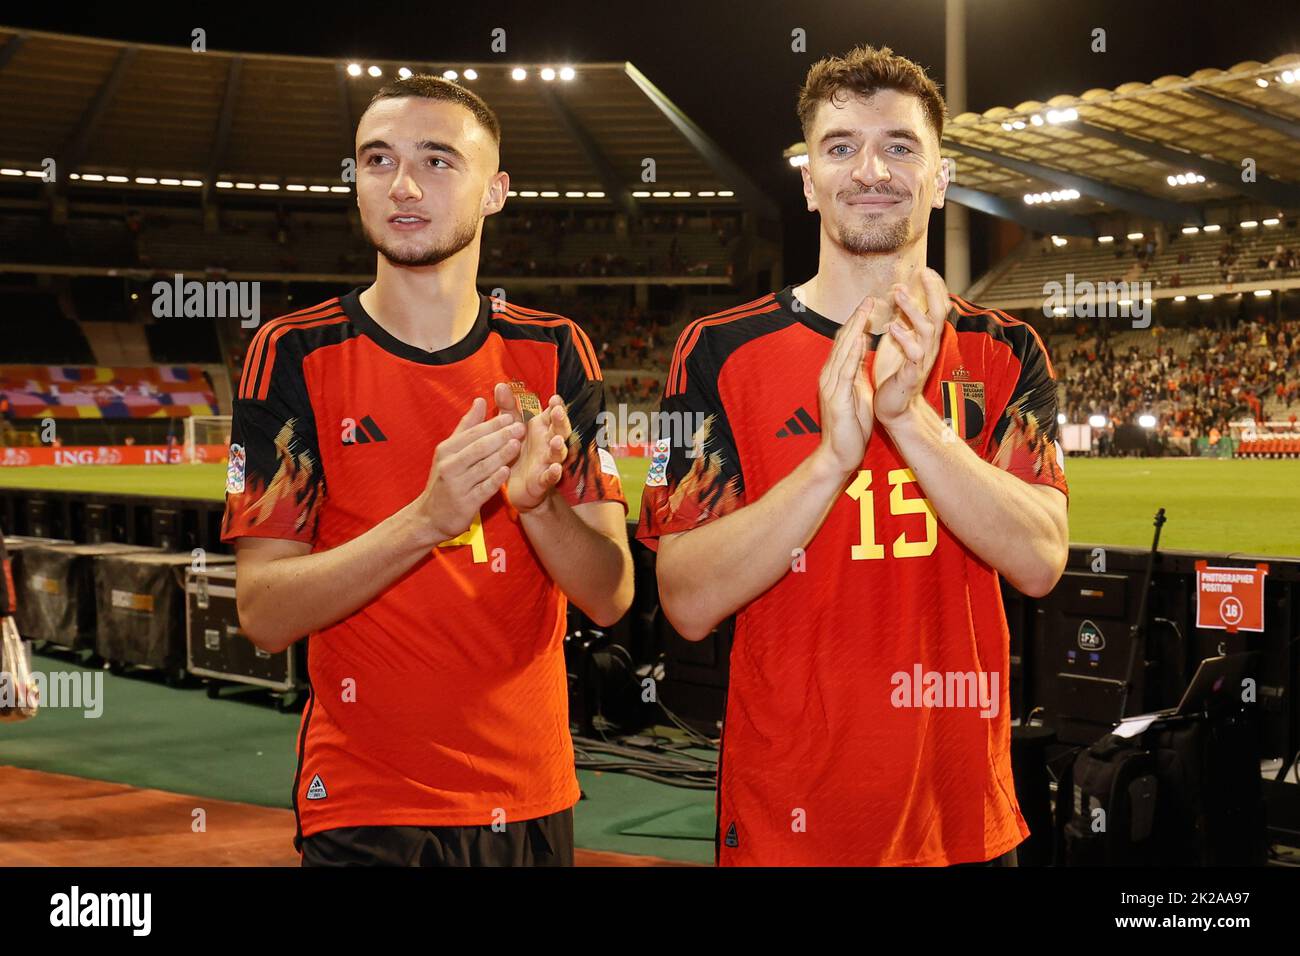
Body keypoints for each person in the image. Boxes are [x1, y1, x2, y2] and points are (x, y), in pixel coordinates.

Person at [637, 45, 1069, 866]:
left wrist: (910, 423)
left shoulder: (1009, 349)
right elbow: (684, 598)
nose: (871, 168)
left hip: (963, 820)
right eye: (840, 147)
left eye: (901, 146)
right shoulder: (709, 351)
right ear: (808, 180)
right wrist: (830, 462)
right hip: (785, 825)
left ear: (941, 178)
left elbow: (1042, 558)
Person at [222, 75, 633, 867]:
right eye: (378, 160)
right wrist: (426, 520)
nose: (403, 185)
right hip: (367, 802)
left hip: (531, 794)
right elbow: (265, 615)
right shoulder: (293, 353)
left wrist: (538, 506)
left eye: (439, 161)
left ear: (496, 192)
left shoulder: (554, 350)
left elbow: (610, 595)